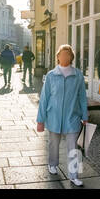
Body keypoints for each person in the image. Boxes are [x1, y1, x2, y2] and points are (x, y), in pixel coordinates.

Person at [36, 44, 88, 187]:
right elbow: (44, 98)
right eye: (62, 54)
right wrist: (40, 120)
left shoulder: (78, 75)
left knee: (74, 147)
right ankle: (52, 164)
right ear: (58, 57)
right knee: (53, 145)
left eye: (68, 54)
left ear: (71, 57)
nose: (65, 57)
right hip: (54, 117)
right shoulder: (51, 75)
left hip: (73, 117)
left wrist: (85, 115)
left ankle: (74, 175)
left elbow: (82, 97)